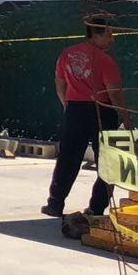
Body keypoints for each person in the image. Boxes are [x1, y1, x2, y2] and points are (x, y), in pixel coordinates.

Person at [42, 15, 127, 217]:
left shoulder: (67, 54)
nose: (111, 39)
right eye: (108, 34)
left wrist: (67, 105)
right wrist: (126, 116)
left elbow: (59, 84)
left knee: (68, 158)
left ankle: (55, 203)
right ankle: (96, 208)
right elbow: (113, 92)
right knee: (106, 161)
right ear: (96, 35)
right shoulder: (105, 61)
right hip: (101, 110)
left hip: (75, 110)